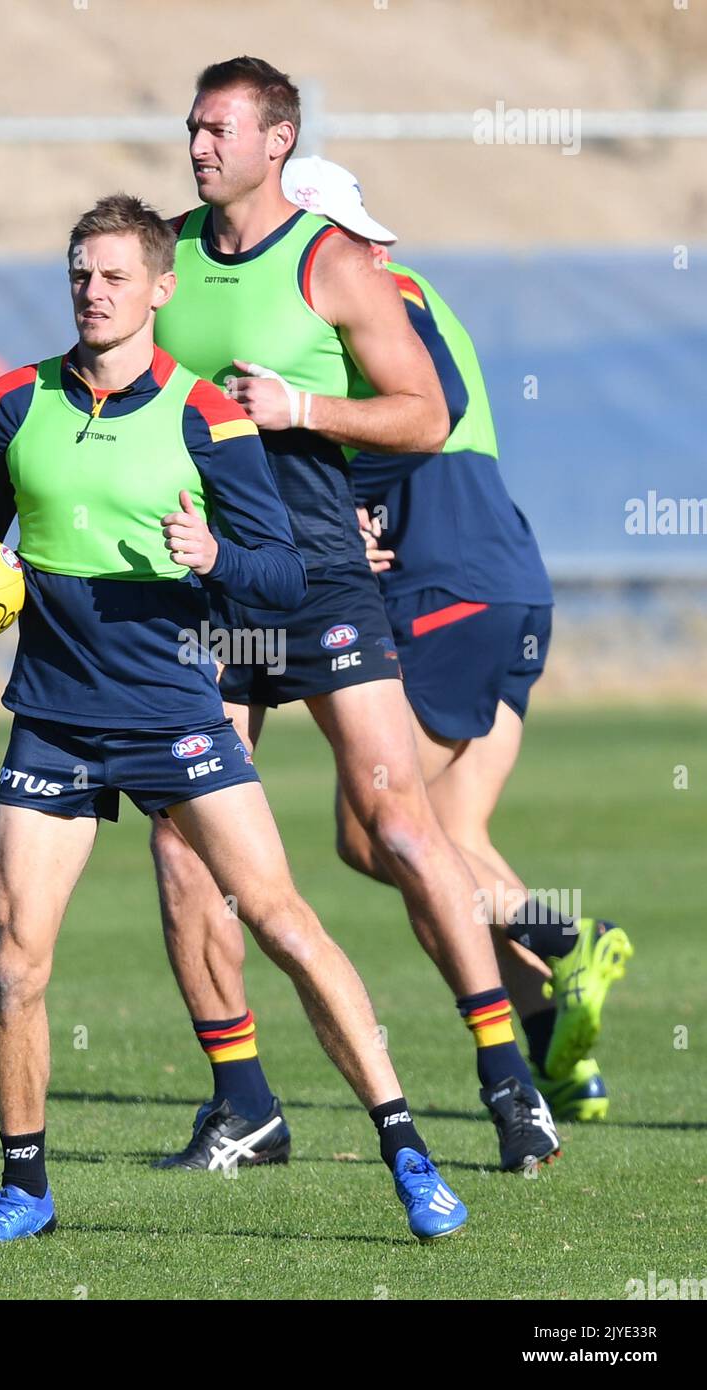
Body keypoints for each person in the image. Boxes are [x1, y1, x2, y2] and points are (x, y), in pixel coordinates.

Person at [0, 194, 467, 1244]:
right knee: (17, 959)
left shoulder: (207, 414)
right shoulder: (12, 402)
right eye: (79, 273)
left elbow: (284, 578)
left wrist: (215, 562)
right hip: (53, 719)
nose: (92, 292)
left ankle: (407, 1151)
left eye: (114, 276)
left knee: (285, 922)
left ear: (161, 288)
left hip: (174, 715)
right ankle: (24, 1190)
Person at [150, 56, 560, 1175]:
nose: (198, 146)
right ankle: (244, 1103)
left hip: (324, 581)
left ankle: (504, 1077)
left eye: (219, 129)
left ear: (276, 140)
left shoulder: (332, 263)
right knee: (185, 843)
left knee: (395, 826)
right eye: (191, 127)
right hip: (209, 586)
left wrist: (302, 408)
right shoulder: (164, 258)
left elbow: (425, 413)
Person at [283, 155, 634, 1120]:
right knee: (452, 837)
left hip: (446, 582)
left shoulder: (359, 299)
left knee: (377, 835)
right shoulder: (409, 286)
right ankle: (558, 1050)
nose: (366, 247)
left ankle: (565, 938)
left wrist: (342, 510)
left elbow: (414, 421)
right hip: (509, 579)